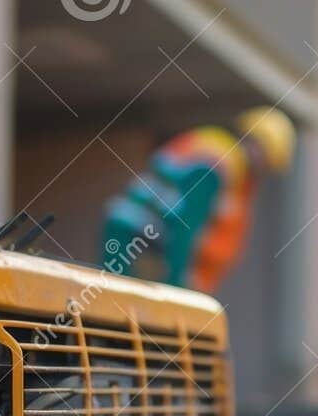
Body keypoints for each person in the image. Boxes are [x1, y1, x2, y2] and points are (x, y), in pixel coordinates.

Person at [102, 106, 296, 293]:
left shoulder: (222, 155)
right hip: (136, 240)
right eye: (269, 161)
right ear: (256, 145)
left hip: (136, 235)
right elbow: (185, 226)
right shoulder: (218, 165)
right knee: (121, 306)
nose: (266, 171)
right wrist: (176, 287)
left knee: (123, 304)